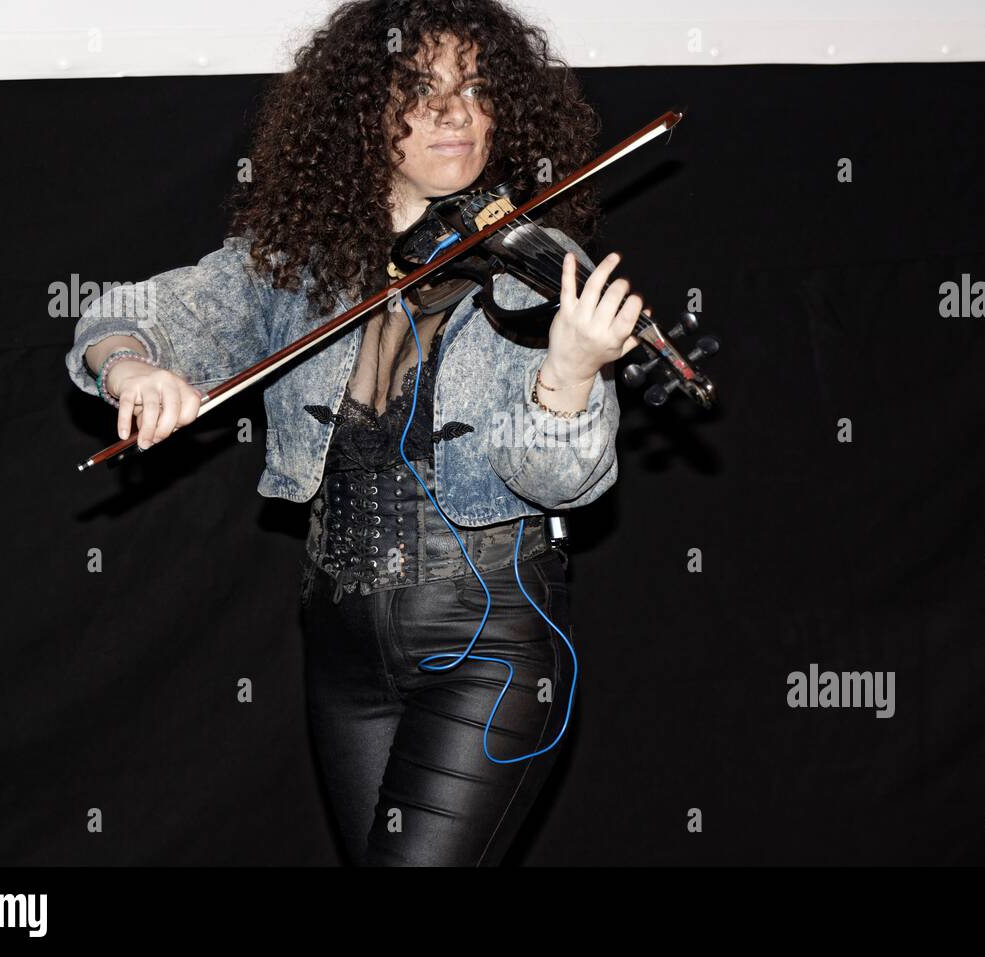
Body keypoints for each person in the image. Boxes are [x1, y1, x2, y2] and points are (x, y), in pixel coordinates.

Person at [65, 0, 645, 866]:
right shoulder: (297, 262)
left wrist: (570, 373)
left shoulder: (540, 267)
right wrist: (133, 369)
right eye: (422, 89)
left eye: (478, 90)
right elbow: (124, 315)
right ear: (361, 115)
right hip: (340, 646)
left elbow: (564, 485)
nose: (456, 113)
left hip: (492, 646)